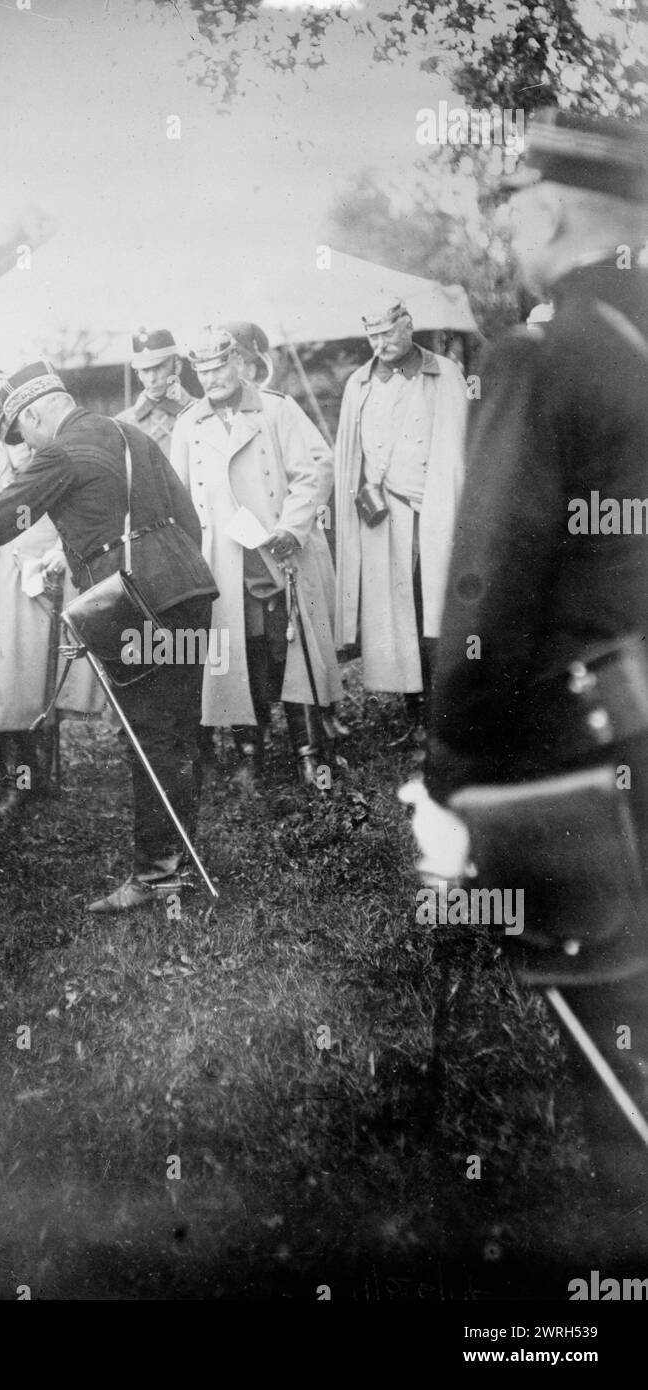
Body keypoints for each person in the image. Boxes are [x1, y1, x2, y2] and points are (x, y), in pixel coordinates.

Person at [415, 108, 648, 1188]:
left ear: (549, 209)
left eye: (509, 216)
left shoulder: (544, 358)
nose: (504, 240)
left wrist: (454, 772)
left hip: (592, 758)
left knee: (617, 1052)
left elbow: (487, 587)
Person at [0, 360, 218, 913]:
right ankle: (174, 862)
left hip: (138, 601)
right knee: (177, 732)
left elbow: (5, 513)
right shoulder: (129, 432)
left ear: (37, 410)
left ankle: (159, 877)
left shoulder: (61, 450)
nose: (23, 440)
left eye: (22, 428)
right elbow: (187, 516)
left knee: (148, 734)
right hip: (188, 591)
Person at [169, 326, 342, 789]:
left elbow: (315, 470)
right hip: (224, 563)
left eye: (219, 367)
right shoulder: (189, 425)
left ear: (238, 363)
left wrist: (291, 527)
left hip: (280, 554)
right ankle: (251, 754)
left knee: (294, 650)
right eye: (201, 371)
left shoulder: (276, 409)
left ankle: (310, 752)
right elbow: (179, 501)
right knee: (240, 656)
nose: (211, 378)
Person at [0, 392, 103, 815]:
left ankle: (46, 776)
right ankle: (16, 780)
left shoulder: (57, 438)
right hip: (7, 578)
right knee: (11, 681)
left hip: (54, 570)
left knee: (48, 675)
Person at [333, 296, 467, 739]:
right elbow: (350, 458)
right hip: (383, 516)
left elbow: (458, 448)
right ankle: (415, 715)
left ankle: (446, 714)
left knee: (434, 610)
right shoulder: (361, 383)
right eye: (371, 336)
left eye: (387, 333)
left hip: (434, 511)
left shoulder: (443, 373)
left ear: (408, 325)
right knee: (396, 614)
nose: (380, 344)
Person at [115, 328, 194, 459]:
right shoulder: (122, 424)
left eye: (159, 368)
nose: (152, 379)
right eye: (145, 371)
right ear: (138, 373)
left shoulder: (200, 413)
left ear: (177, 366)